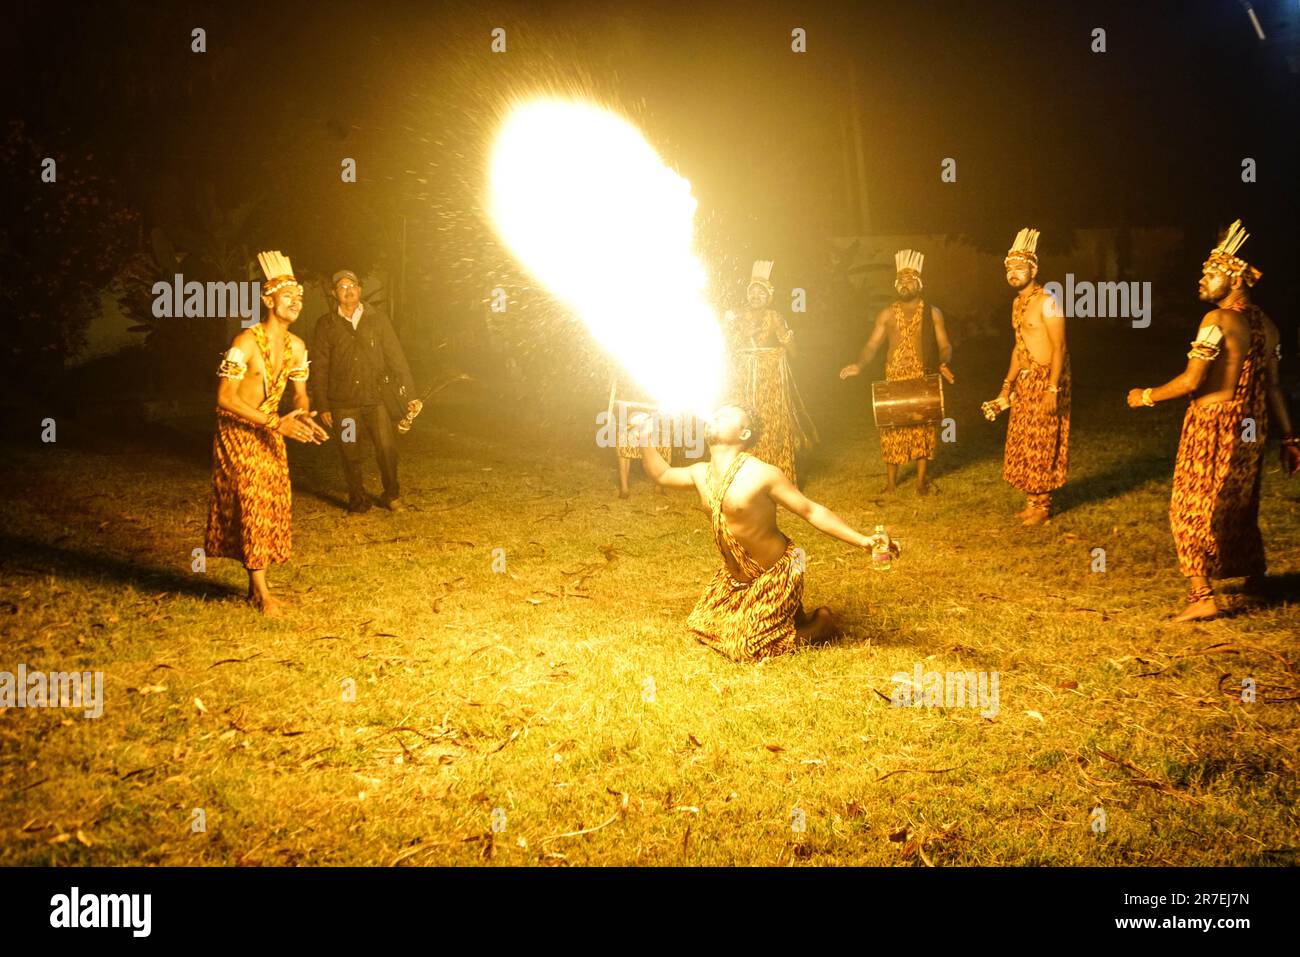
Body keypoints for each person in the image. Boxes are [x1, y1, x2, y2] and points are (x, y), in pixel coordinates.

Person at [1126, 220, 1299, 622]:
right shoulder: (1269, 327)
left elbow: (1192, 380)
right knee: (1237, 505)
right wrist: (1290, 438)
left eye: (1211, 273)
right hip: (1250, 425)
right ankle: (1255, 580)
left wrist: (1146, 396)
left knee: (1190, 508)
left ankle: (1201, 595)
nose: (1202, 280)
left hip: (1213, 424)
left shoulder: (1216, 322)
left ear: (1235, 277)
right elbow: (1274, 387)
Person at [636, 404, 885, 662]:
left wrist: (863, 540)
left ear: (744, 434)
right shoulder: (701, 473)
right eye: (718, 412)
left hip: (779, 572)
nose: (717, 414)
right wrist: (644, 435)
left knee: (744, 648)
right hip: (737, 579)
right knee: (702, 626)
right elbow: (662, 474)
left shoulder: (762, 474)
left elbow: (811, 510)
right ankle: (787, 618)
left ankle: (822, 624)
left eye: (728, 414)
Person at [205, 251, 330, 615]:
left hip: (270, 430)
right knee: (253, 500)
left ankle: (253, 586)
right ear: (268, 299)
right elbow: (225, 398)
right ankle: (262, 592)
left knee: (269, 505)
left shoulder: (297, 348)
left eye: (300, 297)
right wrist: (276, 423)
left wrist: (305, 417)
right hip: (238, 430)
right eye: (287, 295)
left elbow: (301, 393)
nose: (296, 302)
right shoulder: (244, 342)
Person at [839, 249, 954, 494]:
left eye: (910, 279)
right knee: (891, 428)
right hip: (894, 375)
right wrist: (859, 364)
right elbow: (872, 345)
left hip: (921, 374)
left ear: (919, 283)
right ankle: (891, 483)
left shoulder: (931, 312)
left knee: (922, 428)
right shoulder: (887, 313)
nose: (905, 283)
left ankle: (921, 481)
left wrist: (944, 361)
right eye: (900, 280)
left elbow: (945, 344)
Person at [312, 269, 418, 513]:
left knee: (387, 449)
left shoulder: (377, 319)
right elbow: (319, 367)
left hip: (376, 400)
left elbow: (396, 357)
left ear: (359, 290)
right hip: (344, 404)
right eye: (342, 287)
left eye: (353, 286)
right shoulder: (326, 325)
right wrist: (323, 405)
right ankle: (358, 500)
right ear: (334, 293)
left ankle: (391, 495)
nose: (348, 291)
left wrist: (410, 394)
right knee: (350, 452)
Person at [984, 227, 1070, 524]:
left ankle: (1043, 507)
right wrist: (1006, 388)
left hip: (1048, 380)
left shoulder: (1049, 301)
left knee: (1043, 441)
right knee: (1025, 441)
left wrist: (1052, 388)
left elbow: (1059, 348)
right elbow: (1019, 348)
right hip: (1026, 381)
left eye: (1020, 267)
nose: (1014, 273)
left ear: (1034, 269)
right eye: (1009, 268)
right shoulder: (1018, 303)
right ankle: (1032, 502)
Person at [724, 260, 816, 485]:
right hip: (743, 376)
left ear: (769, 297)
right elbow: (726, 345)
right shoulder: (736, 315)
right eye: (752, 292)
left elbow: (792, 353)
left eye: (761, 293)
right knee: (742, 418)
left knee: (770, 421)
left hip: (770, 378)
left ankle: (778, 472)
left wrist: (788, 340)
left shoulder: (775, 317)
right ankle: (742, 475)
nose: (756, 296)